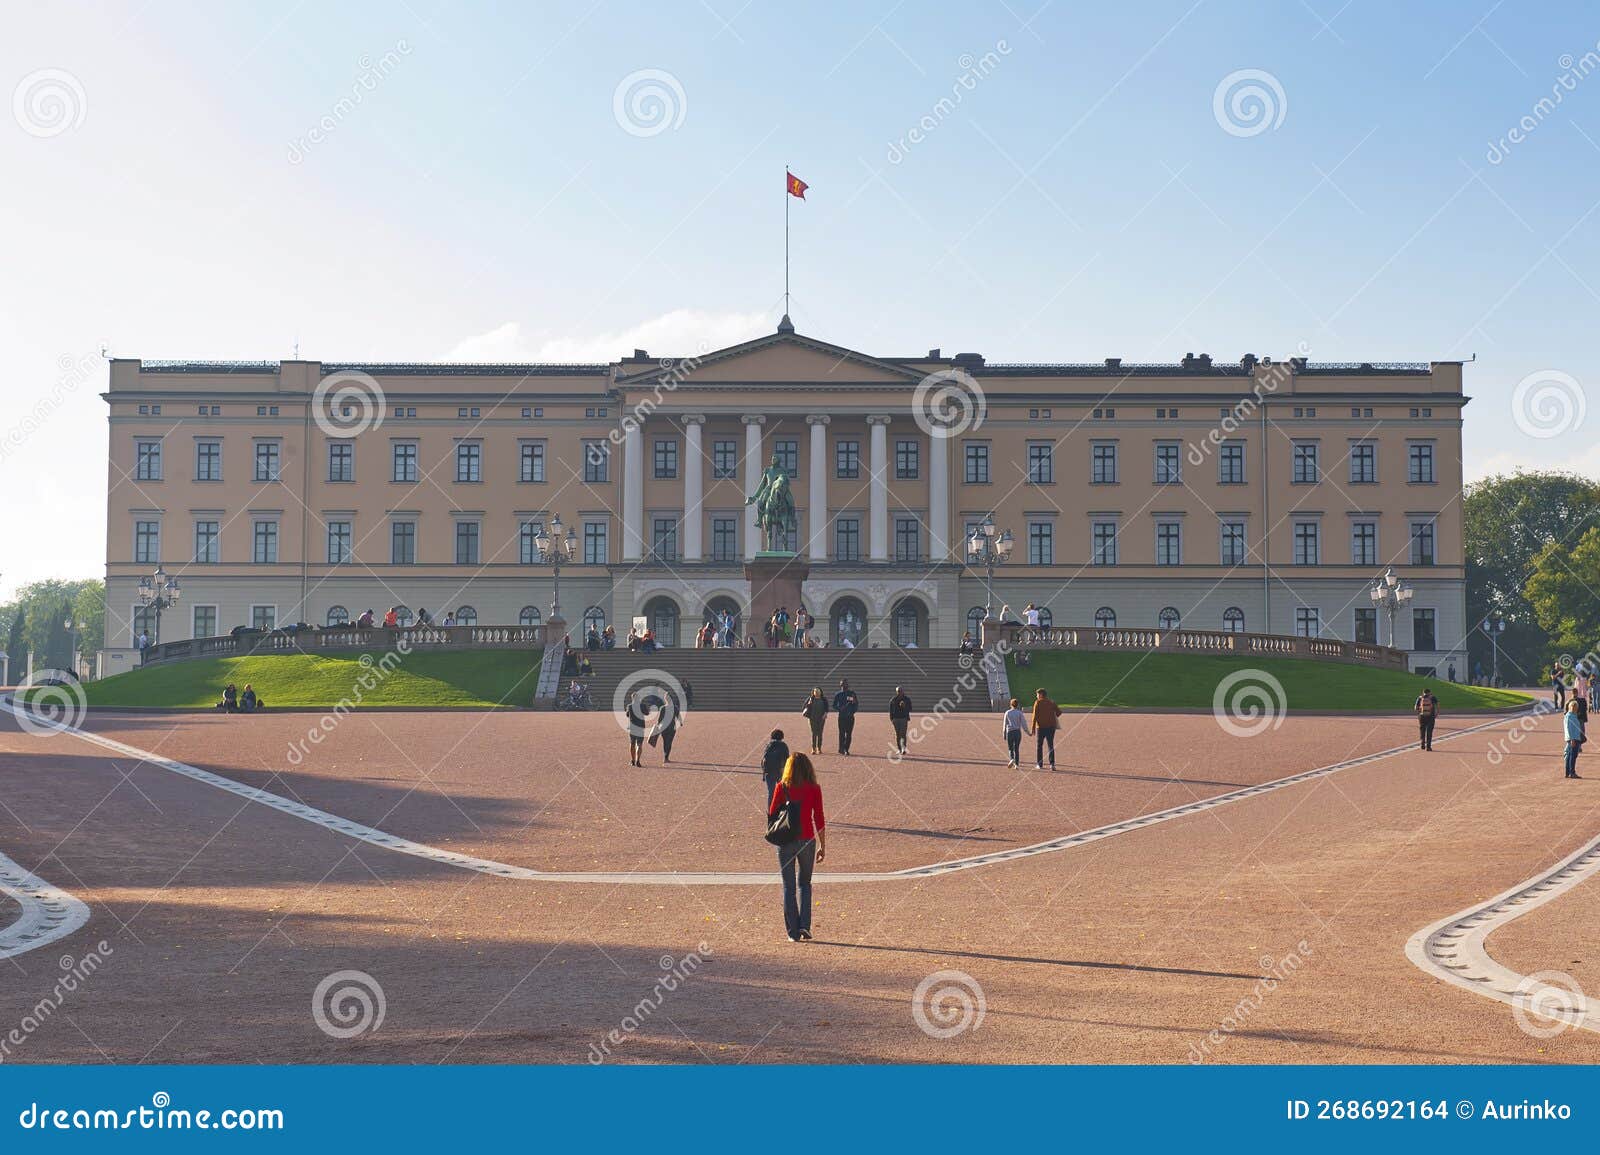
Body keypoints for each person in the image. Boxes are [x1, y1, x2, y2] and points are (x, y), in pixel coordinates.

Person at [768, 752, 826, 943]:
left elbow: (772, 813)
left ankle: (792, 931)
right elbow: (819, 817)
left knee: (789, 887)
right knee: (805, 884)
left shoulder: (781, 787)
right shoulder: (814, 788)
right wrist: (823, 845)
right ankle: (805, 925)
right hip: (808, 839)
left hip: (785, 840)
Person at [650, 689, 684, 763]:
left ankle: (665, 757)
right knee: (669, 742)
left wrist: (657, 726)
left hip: (664, 728)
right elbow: (679, 716)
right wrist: (681, 723)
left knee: (665, 742)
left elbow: (659, 719)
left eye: (666, 698)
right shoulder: (675, 707)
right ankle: (666, 757)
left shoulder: (663, 708)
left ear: (666, 699)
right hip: (672, 727)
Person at [1030, 687, 1060, 770]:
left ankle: (1040, 764)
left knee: (1039, 745)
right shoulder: (1051, 702)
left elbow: (1034, 716)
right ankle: (1052, 764)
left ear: (1040, 694)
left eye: (1037, 694)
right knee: (1050, 745)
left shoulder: (1037, 702)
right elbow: (1059, 713)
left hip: (1041, 727)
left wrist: (1032, 727)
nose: (1036, 696)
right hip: (1051, 727)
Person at [760, 728, 791, 799]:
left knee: (771, 793)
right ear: (782, 737)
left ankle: (770, 809)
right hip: (780, 771)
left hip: (769, 771)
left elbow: (764, 759)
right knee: (784, 791)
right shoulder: (783, 745)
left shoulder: (768, 745)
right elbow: (787, 759)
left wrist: (764, 771)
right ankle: (784, 808)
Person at [832, 679, 859, 754]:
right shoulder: (838, 694)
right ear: (840, 685)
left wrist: (852, 711)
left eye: (845, 685)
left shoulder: (852, 694)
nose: (844, 686)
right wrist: (839, 708)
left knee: (849, 734)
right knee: (841, 733)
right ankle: (841, 748)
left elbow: (856, 704)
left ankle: (846, 748)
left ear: (847, 685)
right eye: (842, 685)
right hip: (842, 717)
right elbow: (834, 705)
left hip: (850, 717)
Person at [624, 689, 650, 767]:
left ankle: (632, 760)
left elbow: (627, 715)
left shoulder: (629, 706)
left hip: (632, 727)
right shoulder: (642, 705)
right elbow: (647, 713)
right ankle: (638, 761)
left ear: (632, 698)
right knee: (639, 744)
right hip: (640, 727)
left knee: (632, 744)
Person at [1002, 696, 1028, 769]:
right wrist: (1028, 732)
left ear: (1010, 704)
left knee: (1010, 748)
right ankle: (1016, 764)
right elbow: (1024, 724)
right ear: (1017, 705)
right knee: (1016, 748)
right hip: (1017, 732)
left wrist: (1004, 733)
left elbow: (1005, 724)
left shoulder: (1007, 712)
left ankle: (1012, 759)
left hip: (1010, 732)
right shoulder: (1019, 713)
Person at [801, 687, 829, 755]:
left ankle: (819, 748)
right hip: (812, 718)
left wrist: (825, 714)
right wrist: (809, 703)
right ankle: (813, 748)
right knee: (814, 733)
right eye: (815, 692)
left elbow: (827, 708)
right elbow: (804, 707)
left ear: (820, 692)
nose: (817, 693)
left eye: (818, 692)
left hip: (821, 719)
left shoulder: (824, 699)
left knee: (820, 734)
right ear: (813, 693)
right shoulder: (810, 699)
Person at [1565, 698, 1586, 779]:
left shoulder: (1571, 715)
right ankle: (1572, 772)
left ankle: (1568, 772)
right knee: (1573, 756)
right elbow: (1569, 728)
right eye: (1575, 707)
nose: (1576, 709)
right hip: (1573, 739)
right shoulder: (1570, 716)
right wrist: (1572, 739)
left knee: (1570, 755)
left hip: (1574, 738)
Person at [888, 687, 913, 755]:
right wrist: (891, 719)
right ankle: (899, 748)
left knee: (903, 734)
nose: (899, 692)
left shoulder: (907, 699)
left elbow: (910, 709)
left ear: (903, 691)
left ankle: (903, 748)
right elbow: (890, 710)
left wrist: (905, 706)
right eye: (898, 691)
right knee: (898, 734)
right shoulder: (893, 700)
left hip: (903, 719)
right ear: (896, 692)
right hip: (895, 719)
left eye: (901, 691)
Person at [1415, 685, 1438, 752]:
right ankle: (1428, 747)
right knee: (1429, 731)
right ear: (1430, 692)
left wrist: (1419, 713)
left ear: (1423, 692)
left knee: (1422, 730)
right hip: (1431, 716)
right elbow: (1438, 705)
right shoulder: (1433, 697)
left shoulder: (1420, 698)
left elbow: (1415, 708)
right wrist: (1437, 713)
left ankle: (1422, 743)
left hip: (1422, 716)